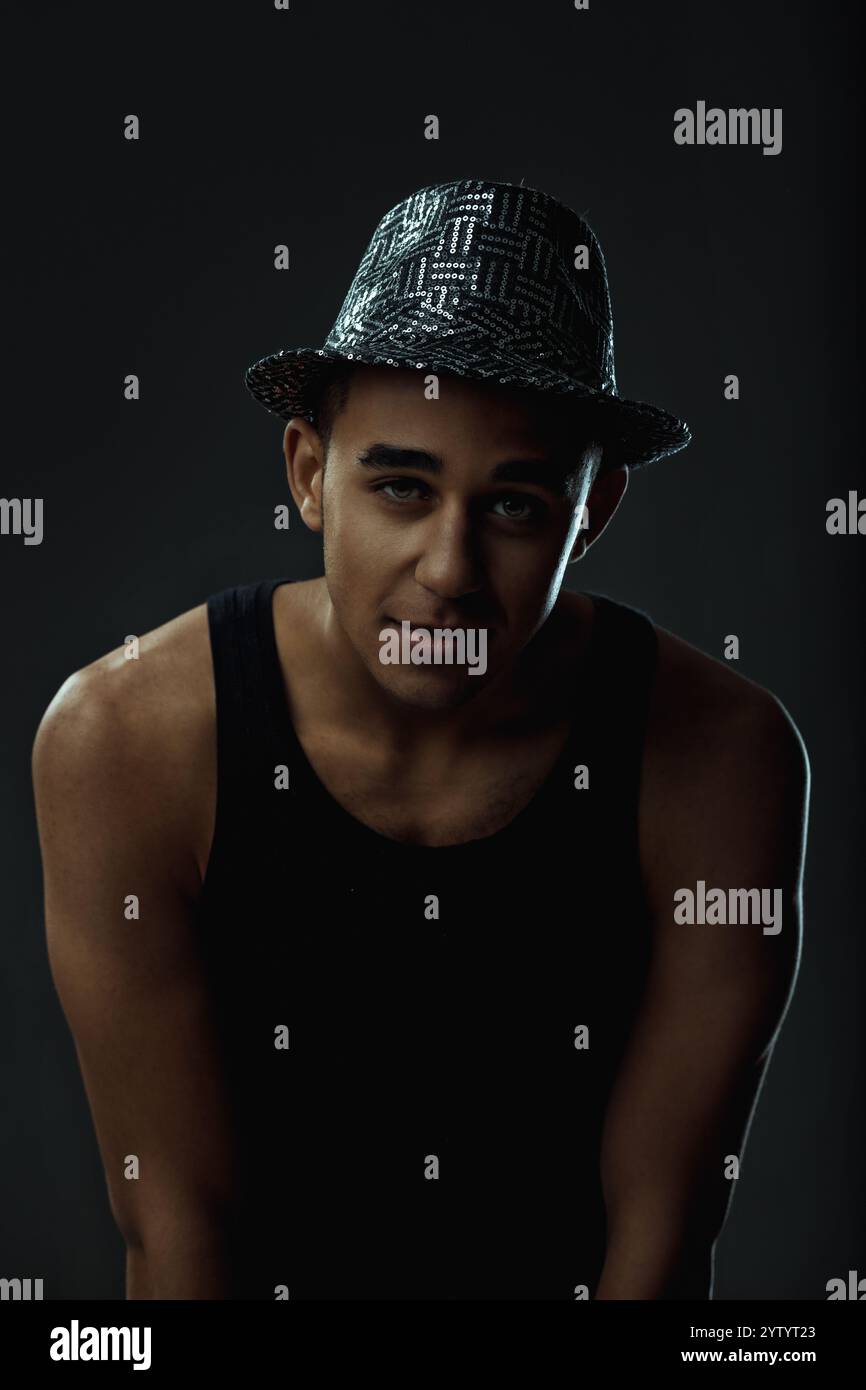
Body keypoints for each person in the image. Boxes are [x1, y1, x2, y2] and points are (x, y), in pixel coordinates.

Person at [32, 179, 808, 1300]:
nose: (447, 572)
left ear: (591, 513)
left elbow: (662, 1234)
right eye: (400, 486)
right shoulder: (124, 740)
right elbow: (176, 1229)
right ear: (308, 472)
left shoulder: (720, 756)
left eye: (513, 506)